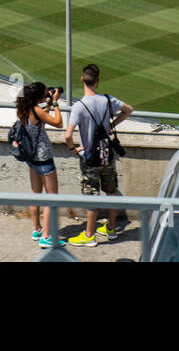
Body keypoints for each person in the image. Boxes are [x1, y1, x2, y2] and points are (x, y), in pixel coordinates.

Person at [64, 63, 133, 247]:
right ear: (98, 81)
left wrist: (73, 149)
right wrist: (112, 124)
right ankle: (111, 229)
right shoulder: (108, 100)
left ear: (82, 80)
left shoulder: (79, 106)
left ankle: (89, 235)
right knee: (111, 191)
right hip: (107, 154)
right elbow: (129, 110)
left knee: (91, 196)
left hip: (89, 157)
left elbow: (68, 134)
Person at [16, 81, 64, 248]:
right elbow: (58, 123)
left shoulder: (24, 110)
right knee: (52, 197)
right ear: (38, 97)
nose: (47, 95)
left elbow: (40, 119)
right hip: (43, 158)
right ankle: (46, 237)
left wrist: (48, 103)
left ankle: (37, 229)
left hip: (31, 157)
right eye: (45, 93)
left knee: (35, 192)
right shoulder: (36, 110)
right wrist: (56, 102)